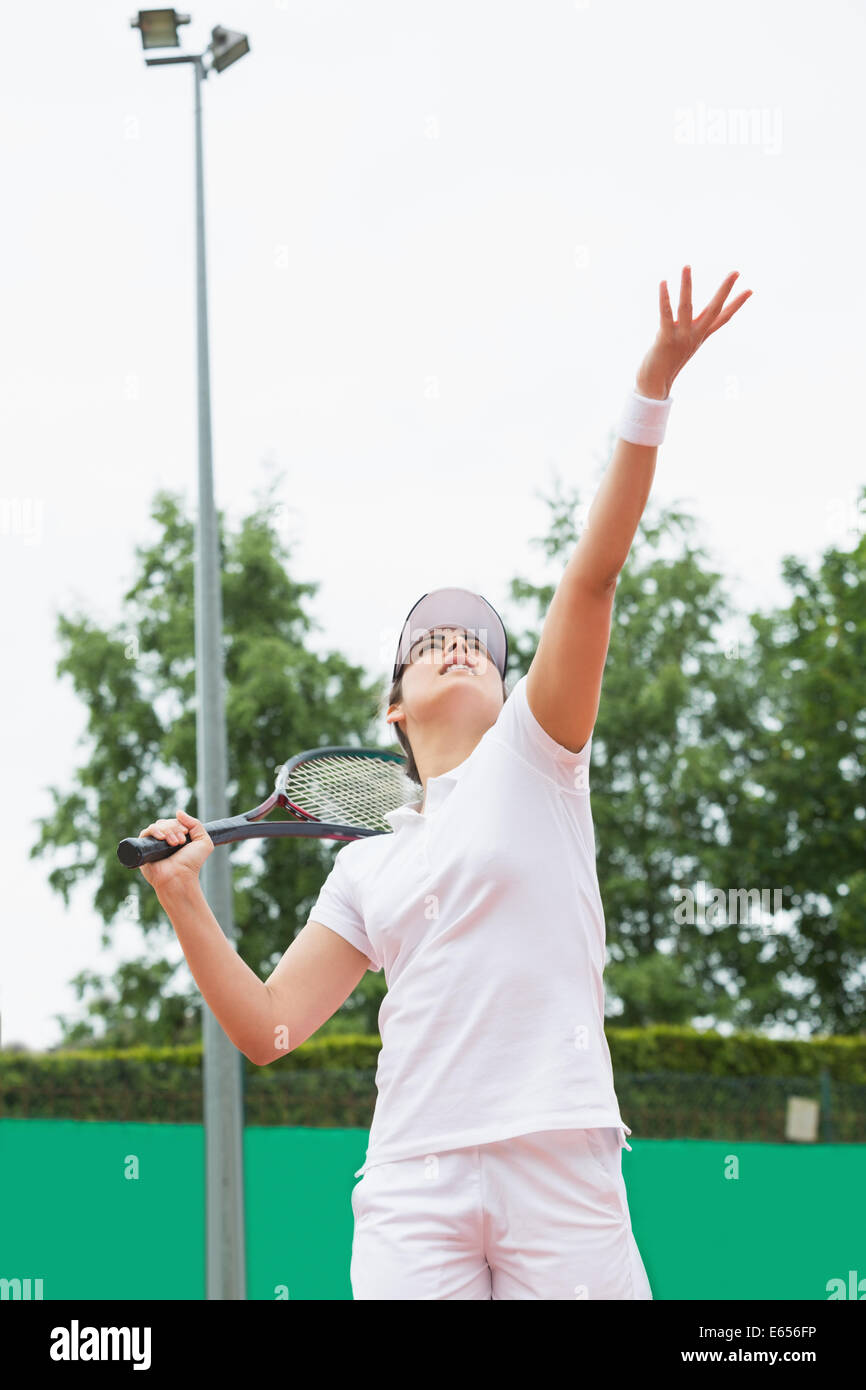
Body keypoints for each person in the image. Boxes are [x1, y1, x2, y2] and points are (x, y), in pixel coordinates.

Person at [138, 267, 752, 1299]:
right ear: (393, 705)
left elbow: (590, 576)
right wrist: (185, 898)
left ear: (510, 682)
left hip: (560, 1157)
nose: (459, 645)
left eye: (478, 639)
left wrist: (653, 380)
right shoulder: (368, 867)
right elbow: (270, 1029)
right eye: (431, 640)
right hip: (410, 1185)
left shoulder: (538, 753)